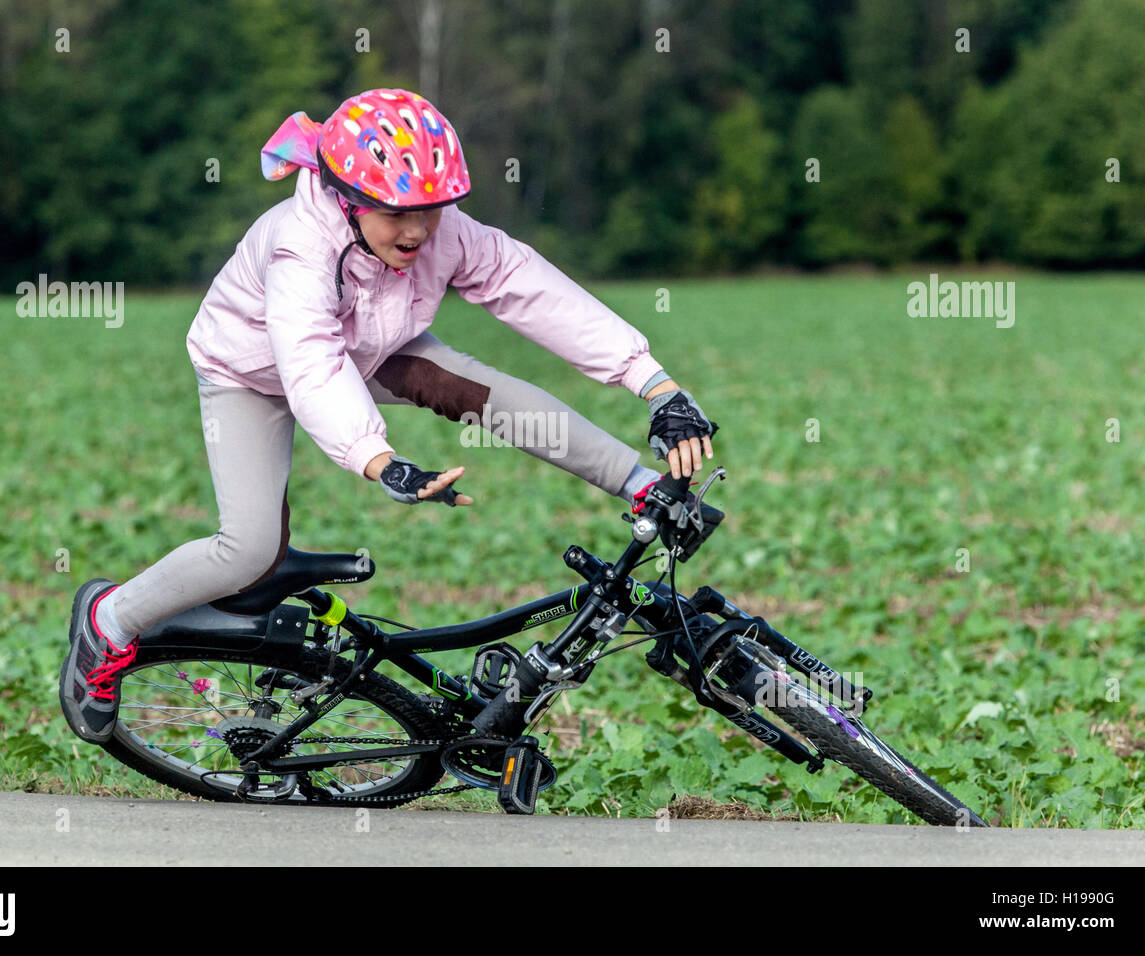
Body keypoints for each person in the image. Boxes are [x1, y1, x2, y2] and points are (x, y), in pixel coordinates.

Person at [59, 88, 718, 744]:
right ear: (347, 199)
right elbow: (312, 363)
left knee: (489, 394)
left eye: (430, 211)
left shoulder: (442, 230)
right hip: (252, 375)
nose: (417, 231)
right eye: (396, 213)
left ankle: (637, 483)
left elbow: (536, 294)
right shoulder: (301, 248)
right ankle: (108, 620)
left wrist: (656, 387)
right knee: (248, 548)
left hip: (373, 345)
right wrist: (379, 460)